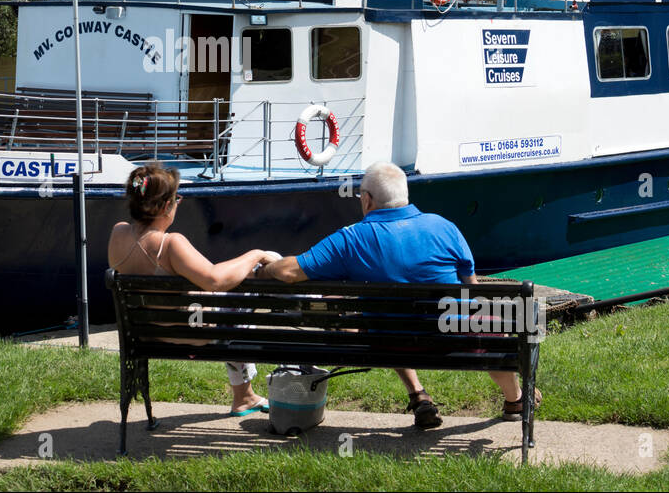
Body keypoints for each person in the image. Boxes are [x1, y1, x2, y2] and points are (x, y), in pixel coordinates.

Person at [261, 161, 540, 429]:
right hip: (453, 337)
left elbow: (290, 271)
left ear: (367, 199)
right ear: (404, 195)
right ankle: (515, 400)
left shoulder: (350, 239)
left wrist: (264, 265)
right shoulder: (444, 227)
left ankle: (418, 394)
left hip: (390, 341)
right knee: (490, 328)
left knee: (391, 319)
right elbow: (472, 288)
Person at [108, 162, 276, 416]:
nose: (178, 202)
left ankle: (246, 396)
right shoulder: (170, 244)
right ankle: (245, 395)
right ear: (166, 206)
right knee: (248, 283)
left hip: (146, 336)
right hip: (190, 336)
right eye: (177, 198)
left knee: (222, 301)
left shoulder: (117, 233)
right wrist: (257, 254)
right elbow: (215, 279)